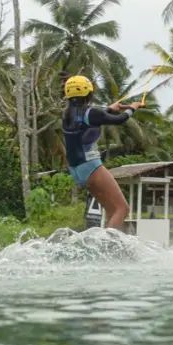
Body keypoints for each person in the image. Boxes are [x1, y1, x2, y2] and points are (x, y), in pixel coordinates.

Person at [62, 75, 143, 230]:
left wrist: (109, 109)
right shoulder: (92, 113)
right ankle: (107, 246)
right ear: (89, 93)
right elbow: (119, 120)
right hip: (90, 165)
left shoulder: (66, 114)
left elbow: (91, 120)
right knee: (122, 209)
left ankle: (111, 244)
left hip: (76, 169)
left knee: (112, 211)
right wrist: (133, 108)